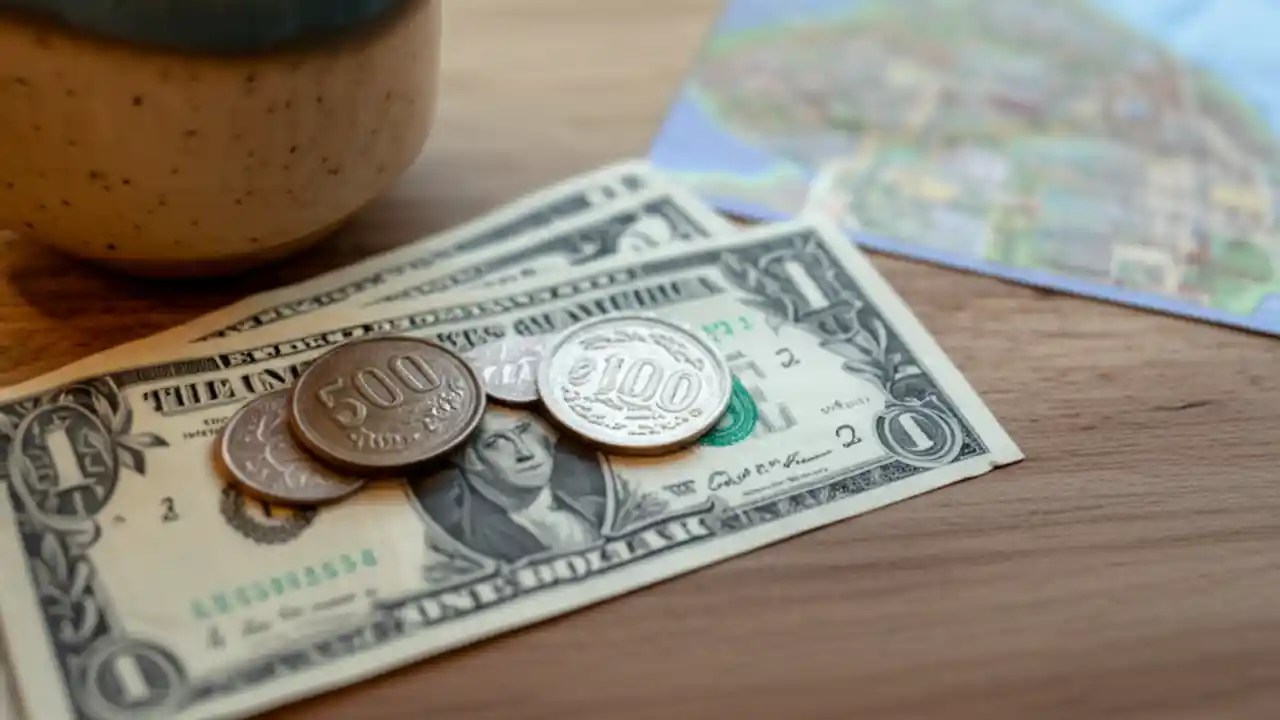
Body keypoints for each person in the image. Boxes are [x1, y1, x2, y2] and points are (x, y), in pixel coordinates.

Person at [409, 407, 607, 563]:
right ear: (470, 460)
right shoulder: (473, 535)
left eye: (523, 429)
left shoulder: (594, 501)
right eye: (496, 442)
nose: (524, 452)